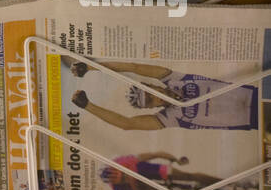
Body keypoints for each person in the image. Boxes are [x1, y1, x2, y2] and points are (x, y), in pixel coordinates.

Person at [69, 58, 258, 131]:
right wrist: (87, 105)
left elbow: (133, 67)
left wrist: (90, 67)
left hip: (255, 95)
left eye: (151, 93)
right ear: (151, 108)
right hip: (253, 119)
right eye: (150, 102)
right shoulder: (170, 117)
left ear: (153, 85)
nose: (157, 97)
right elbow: (128, 124)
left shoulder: (174, 78)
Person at [99, 153, 221, 190]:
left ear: (120, 168)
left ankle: (224, 182)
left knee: (188, 176)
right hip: (143, 188)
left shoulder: (121, 161)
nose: (125, 178)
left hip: (152, 171)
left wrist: (175, 160)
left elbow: (154, 154)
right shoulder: (117, 189)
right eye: (122, 180)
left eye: (124, 175)